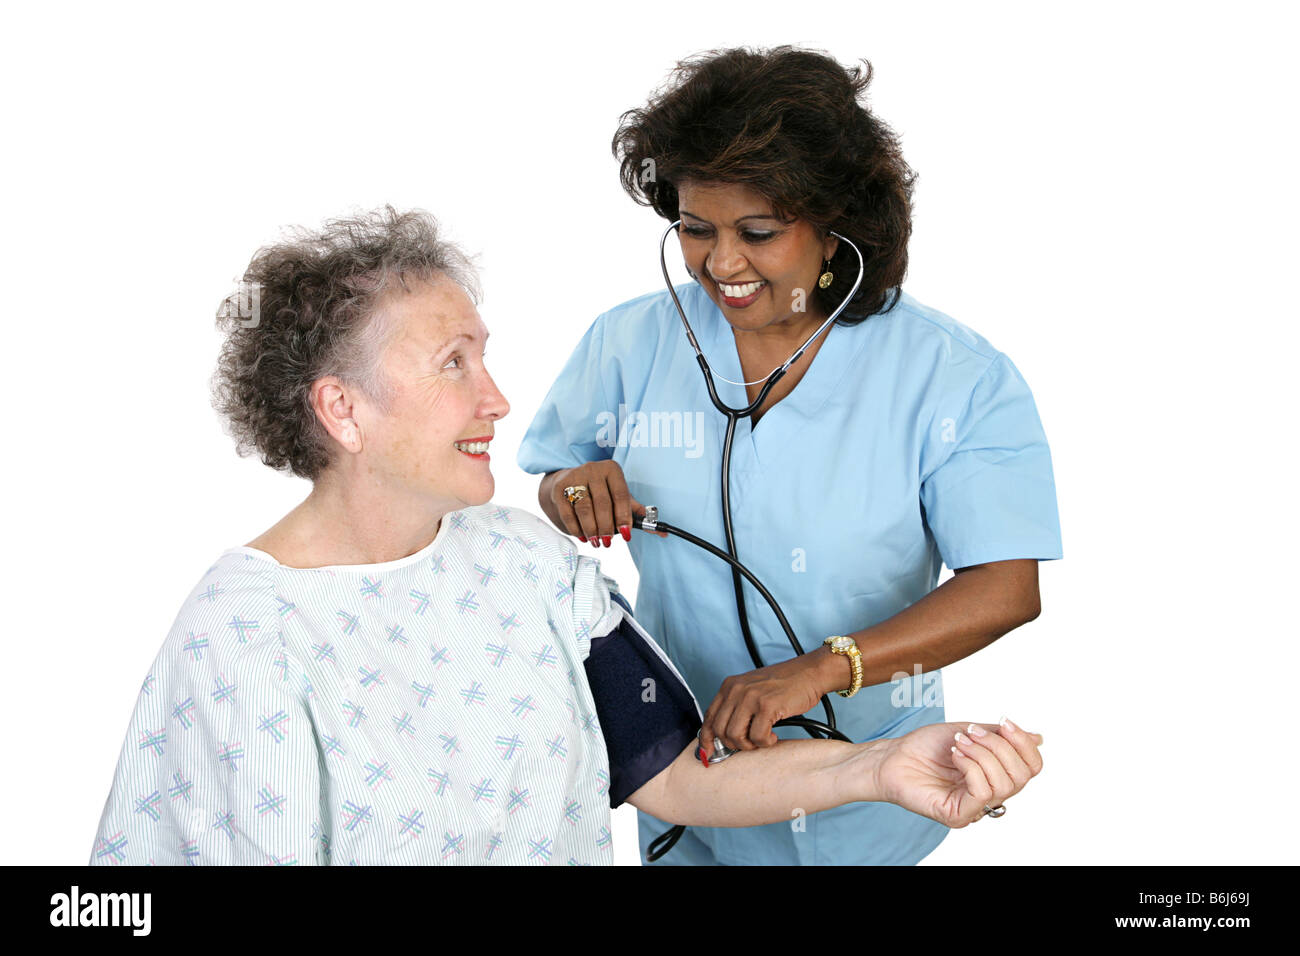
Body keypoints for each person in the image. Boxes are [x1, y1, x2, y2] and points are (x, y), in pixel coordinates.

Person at [89, 206, 1043, 867]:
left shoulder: (524, 564)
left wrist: (881, 766)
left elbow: (674, 775)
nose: (498, 401)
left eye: (486, 359)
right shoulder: (247, 635)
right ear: (342, 408)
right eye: (451, 365)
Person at [518, 47, 1063, 865]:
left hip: (869, 784)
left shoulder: (954, 376)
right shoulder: (629, 343)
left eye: (758, 233)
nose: (722, 264)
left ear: (838, 229)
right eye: (695, 229)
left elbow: (1005, 587)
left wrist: (822, 669)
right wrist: (572, 489)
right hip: (686, 773)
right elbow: (559, 478)